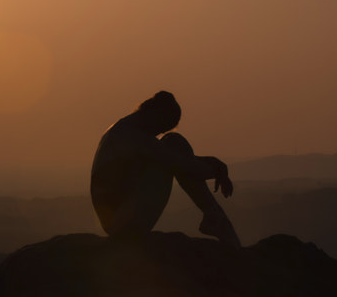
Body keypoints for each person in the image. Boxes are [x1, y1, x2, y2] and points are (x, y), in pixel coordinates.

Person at [90, 91, 240, 247]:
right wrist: (216, 169)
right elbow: (185, 166)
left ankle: (213, 216)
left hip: (122, 215)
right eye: (162, 127)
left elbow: (177, 160)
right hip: (123, 223)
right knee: (175, 142)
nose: (160, 133)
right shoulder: (134, 135)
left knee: (174, 142)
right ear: (156, 116)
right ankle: (215, 217)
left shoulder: (125, 129)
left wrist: (213, 163)